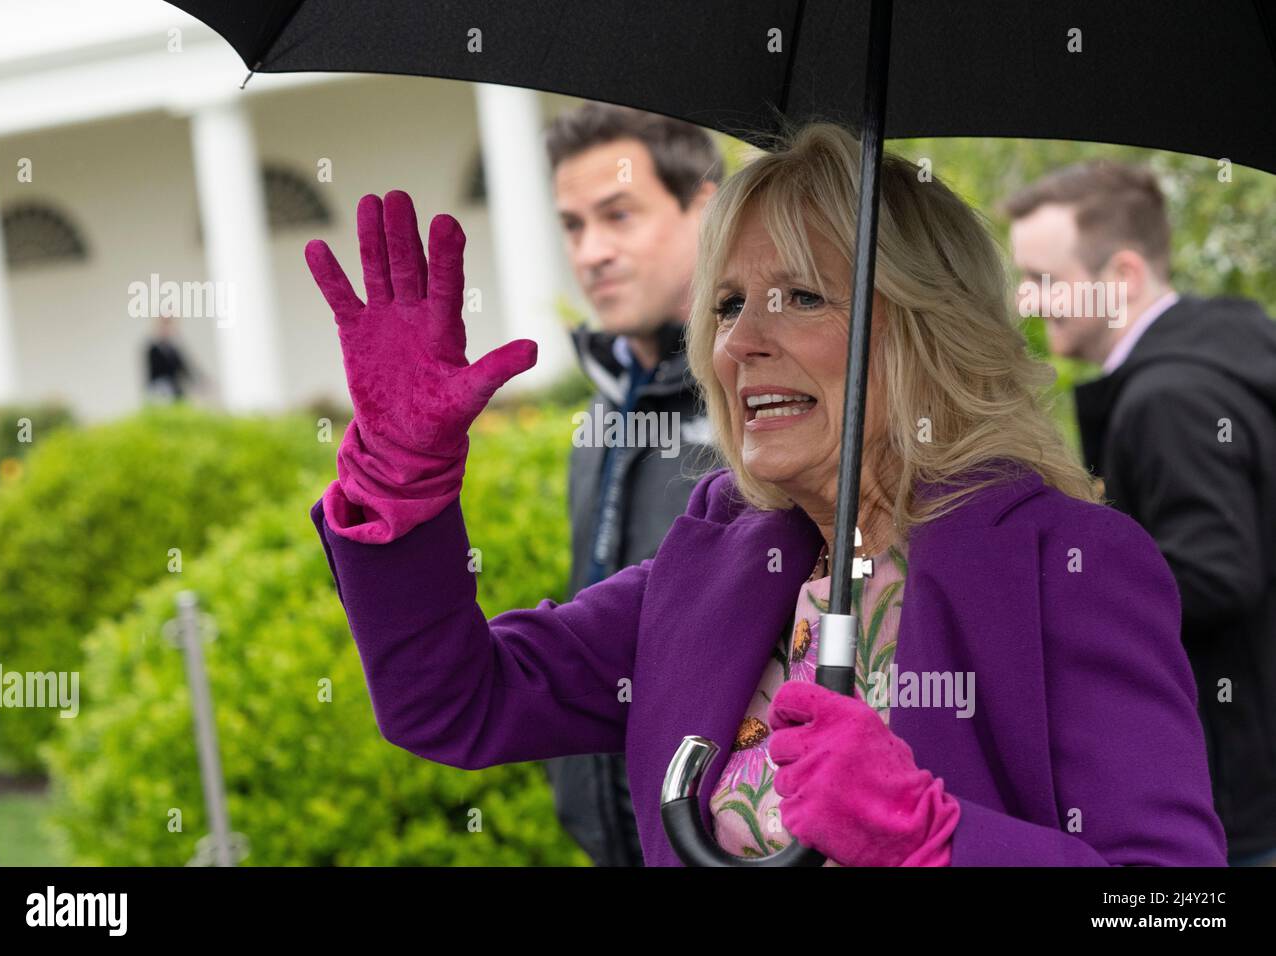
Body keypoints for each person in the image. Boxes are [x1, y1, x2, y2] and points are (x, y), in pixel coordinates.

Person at [305, 122, 1226, 866]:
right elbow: (460, 700)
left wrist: (935, 841)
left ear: (927, 331)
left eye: (800, 296)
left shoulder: (1065, 566)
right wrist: (400, 482)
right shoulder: (721, 552)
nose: (740, 343)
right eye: (728, 303)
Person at [1006, 162, 1276, 866]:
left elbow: (1220, 570)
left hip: (1239, 785)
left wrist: (1063, 592)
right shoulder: (1211, 364)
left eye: (1042, 279)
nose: (1027, 302)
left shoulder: (1170, 399)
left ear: (1120, 276)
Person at [539, 103, 722, 866]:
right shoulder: (602, 414)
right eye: (574, 226)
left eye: (618, 216)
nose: (591, 252)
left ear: (706, 209)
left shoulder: (771, 409)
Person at [143, 310, 202, 402]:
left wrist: (199, 381)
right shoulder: (153, 350)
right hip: (161, 392)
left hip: (175, 391)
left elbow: (186, 369)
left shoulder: (174, 350)